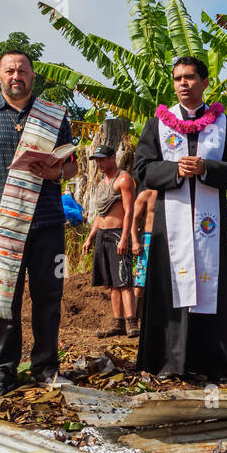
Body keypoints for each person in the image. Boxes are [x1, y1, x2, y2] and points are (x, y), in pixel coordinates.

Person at [0, 50, 77, 400]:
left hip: (48, 221)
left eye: (22, 70)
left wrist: (58, 171)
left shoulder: (54, 116)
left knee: (49, 298)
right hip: (1, 222)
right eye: (10, 71)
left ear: (32, 75)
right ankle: (2, 372)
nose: (16, 76)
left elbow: (72, 165)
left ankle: (46, 368)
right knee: (2, 298)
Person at [134, 56, 227, 379]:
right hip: (169, 227)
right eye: (177, 78)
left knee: (212, 288)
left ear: (204, 82)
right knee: (169, 288)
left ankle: (214, 363)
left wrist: (206, 169)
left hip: (209, 225)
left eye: (189, 77)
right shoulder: (158, 123)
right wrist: (174, 170)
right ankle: (169, 364)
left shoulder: (226, 125)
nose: (182, 84)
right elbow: (142, 169)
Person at [82, 141, 137, 338]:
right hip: (102, 235)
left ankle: (132, 323)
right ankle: (118, 323)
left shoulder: (123, 179)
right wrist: (90, 237)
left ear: (113, 158)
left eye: (102, 159)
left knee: (124, 280)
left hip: (117, 233)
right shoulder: (100, 184)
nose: (99, 163)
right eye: (97, 160)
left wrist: (125, 238)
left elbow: (130, 211)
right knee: (111, 282)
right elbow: (99, 214)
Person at [130, 186, 158, 333]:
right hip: (148, 238)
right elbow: (133, 219)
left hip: (167, 239)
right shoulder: (146, 195)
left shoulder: (172, 194)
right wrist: (135, 241)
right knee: (140, 281)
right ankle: (134, 320)